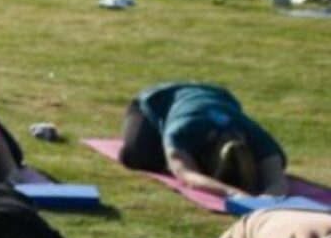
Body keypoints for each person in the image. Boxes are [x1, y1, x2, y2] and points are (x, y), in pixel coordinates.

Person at [118, 82, 288, 199]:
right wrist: (232, 193)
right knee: (136, 158)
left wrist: (268, 198)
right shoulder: (182, 130)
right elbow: (187, 174)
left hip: (217, 95)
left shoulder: (257, 136)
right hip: (157, 98)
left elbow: (277, 180)